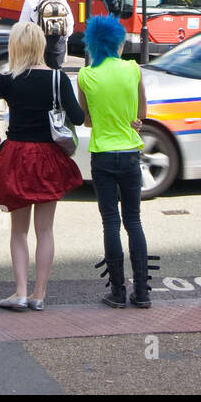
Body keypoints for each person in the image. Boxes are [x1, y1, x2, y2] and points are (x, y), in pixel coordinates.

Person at [0, 22, 86, 311]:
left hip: (17, 155)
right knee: (45, 231)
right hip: (48, 157)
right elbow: (79, 118)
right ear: (41, 45)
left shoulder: (8, 79)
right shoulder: (57, 78)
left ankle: (19, 292)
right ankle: (38, 294)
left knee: (18, 231)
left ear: (16, 46)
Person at [77, 15, 154, 309]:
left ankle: (118, 291)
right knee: (134, 221)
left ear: (93, 45)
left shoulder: (85, 76)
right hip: (130, 153)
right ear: (117, 43)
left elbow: (85, 119)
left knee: (110, 221)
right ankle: (143, 292)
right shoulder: (133, 69)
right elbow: (142, 113)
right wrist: (130, 120)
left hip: (103, 155)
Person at [18, 0, 74, 70]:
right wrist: (63, 39)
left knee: (38, 72)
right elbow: (70, 21)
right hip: (57, 43)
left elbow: (23, 24)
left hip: (38, 43)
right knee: (56, 72)